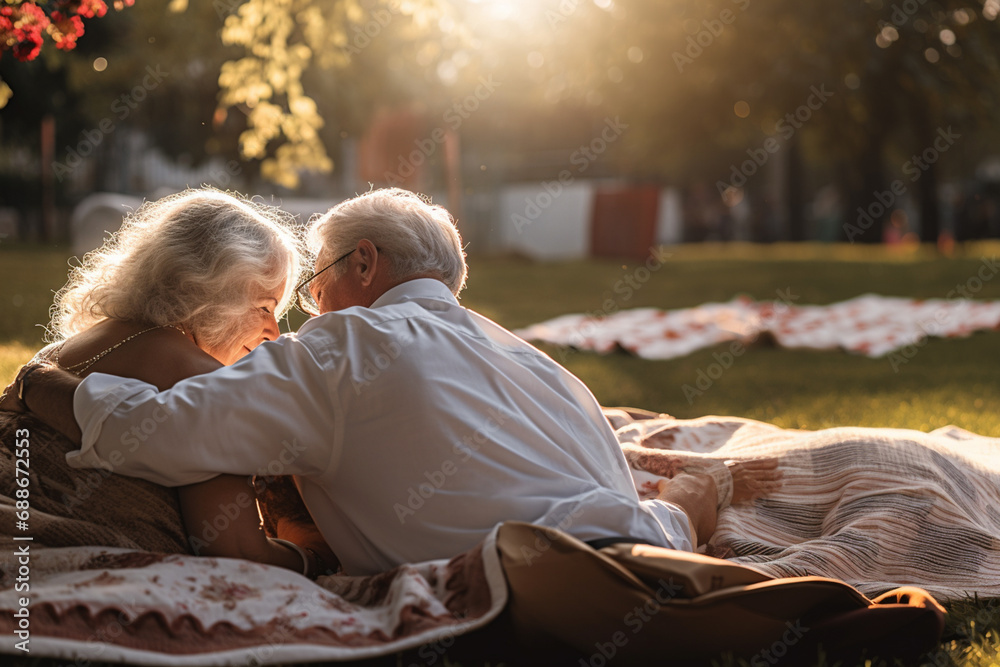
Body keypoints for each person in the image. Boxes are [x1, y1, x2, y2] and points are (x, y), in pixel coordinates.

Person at [6, 188, 776, 576]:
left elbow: (161, 433)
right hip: (646, 549)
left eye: (309, 290)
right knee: (675, 503)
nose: (295, 319)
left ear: (364, 264)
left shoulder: (338, 350)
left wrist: (42, 383)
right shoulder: (539, 365)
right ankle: (691, 499)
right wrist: (679, 510)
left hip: (556, 585)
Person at [0, 188, 335, 577]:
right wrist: (314, 558)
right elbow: (239, 554)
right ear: (212, 288)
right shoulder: (201, 380)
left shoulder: (59, 352)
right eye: (264, 307)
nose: (273, 332)